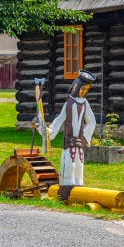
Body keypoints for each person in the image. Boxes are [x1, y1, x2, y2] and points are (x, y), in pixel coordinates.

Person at [37, 70, 97, 201]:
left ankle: (79, 195)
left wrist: (83, 138)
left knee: (79, 169)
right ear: (76, 87)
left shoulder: (85, 104)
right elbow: (58, 122)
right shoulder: (68, 104)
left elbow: (92, 121)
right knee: (69, 169)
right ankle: (65, 196)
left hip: (79, 147)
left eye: (86, 90)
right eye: (82, 89)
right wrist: (45, 130)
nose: (84, 92)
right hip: (69, 146)